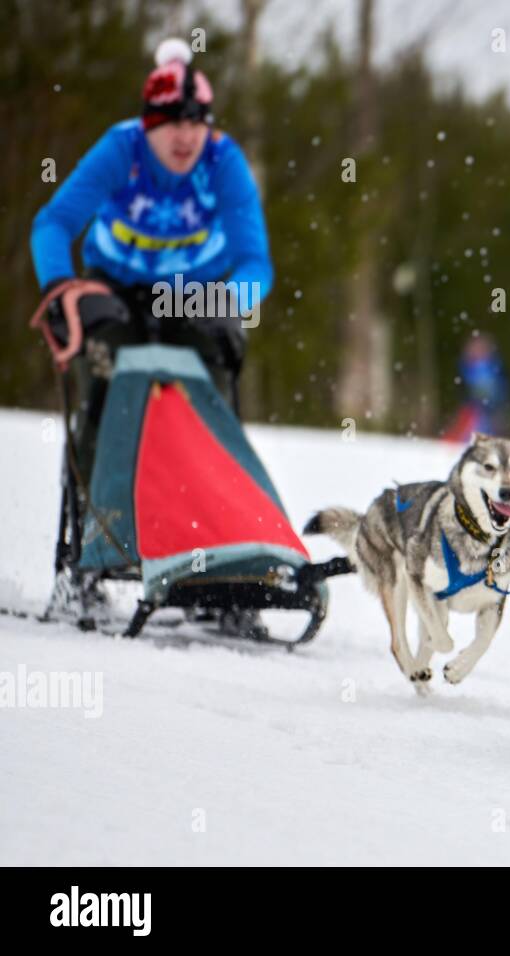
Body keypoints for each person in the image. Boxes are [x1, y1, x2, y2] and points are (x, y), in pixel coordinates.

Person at [29, 38, 272, 621]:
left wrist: (226, 303)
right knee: (108, 391)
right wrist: (61, 289)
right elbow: (53, 223)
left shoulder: (224, 160)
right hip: (114, 289)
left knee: (204, 400)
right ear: (148, 125)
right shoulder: (121, 150)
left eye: (198, 123)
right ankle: (88, 561)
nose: (186, 137)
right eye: (172, 125)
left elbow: (256, 265)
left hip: (190, 294)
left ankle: (224, 562)